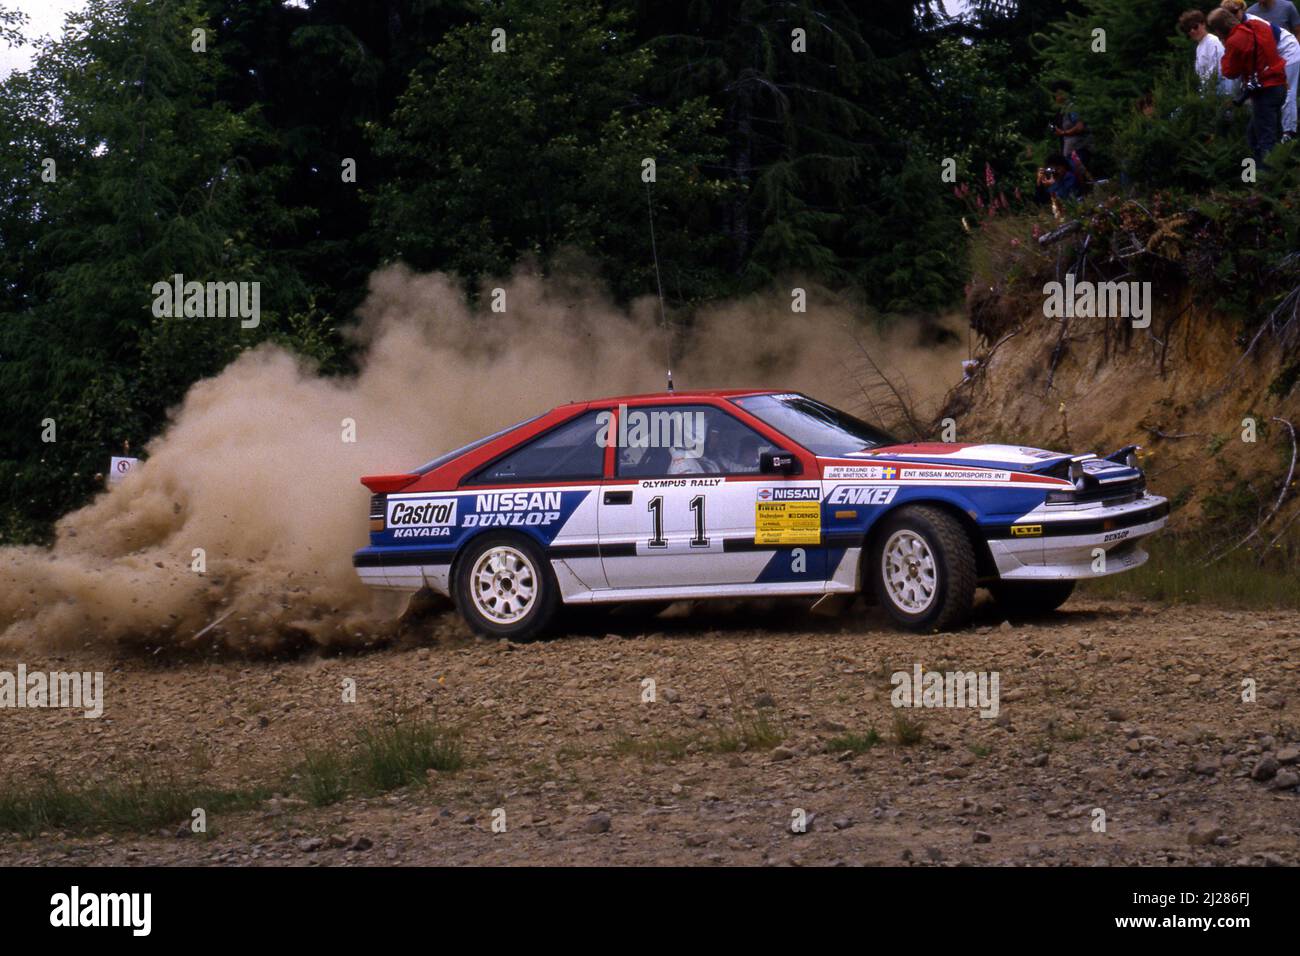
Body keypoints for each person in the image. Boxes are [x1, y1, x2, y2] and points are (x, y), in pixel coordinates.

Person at [1210, 6, 1289, 161]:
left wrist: (1226, 47)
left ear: (1219, 30)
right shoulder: (1258, 26)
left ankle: (1265, 180)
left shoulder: (1234, 40)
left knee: (1264, 140)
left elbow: (1229, 72)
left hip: (1264, 91)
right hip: (1280, 85)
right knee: (1258, 135)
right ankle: (1271, 174)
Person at [1228, 0, 1300, 136]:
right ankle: (1275, 130)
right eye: (1229, 14)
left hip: (1288, 50)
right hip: (1274, 53)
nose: (1234, 16)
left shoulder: (1253, 22)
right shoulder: (1248, 16)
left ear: (1240, 10)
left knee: (1288, 91)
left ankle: (1289, 133)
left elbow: (1265, 47)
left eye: (1235, 11)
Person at [1180, 9, 1234, 96]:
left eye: (1195, 27)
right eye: (1188, 29)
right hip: (1208, 92)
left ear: (1203, 24)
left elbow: (1219, 68)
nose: (1192, 31)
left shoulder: (1213, 41)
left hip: (1221, 91)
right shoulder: (1199, 46)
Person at [1050, 80, 1093, 170]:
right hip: (1071, 151)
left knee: (1077, 177)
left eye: (1058, 94)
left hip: (1079, 149)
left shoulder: (1073, 107)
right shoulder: (1064, 109)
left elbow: (1079, 127)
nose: (1056, 97)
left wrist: (1063, 132)